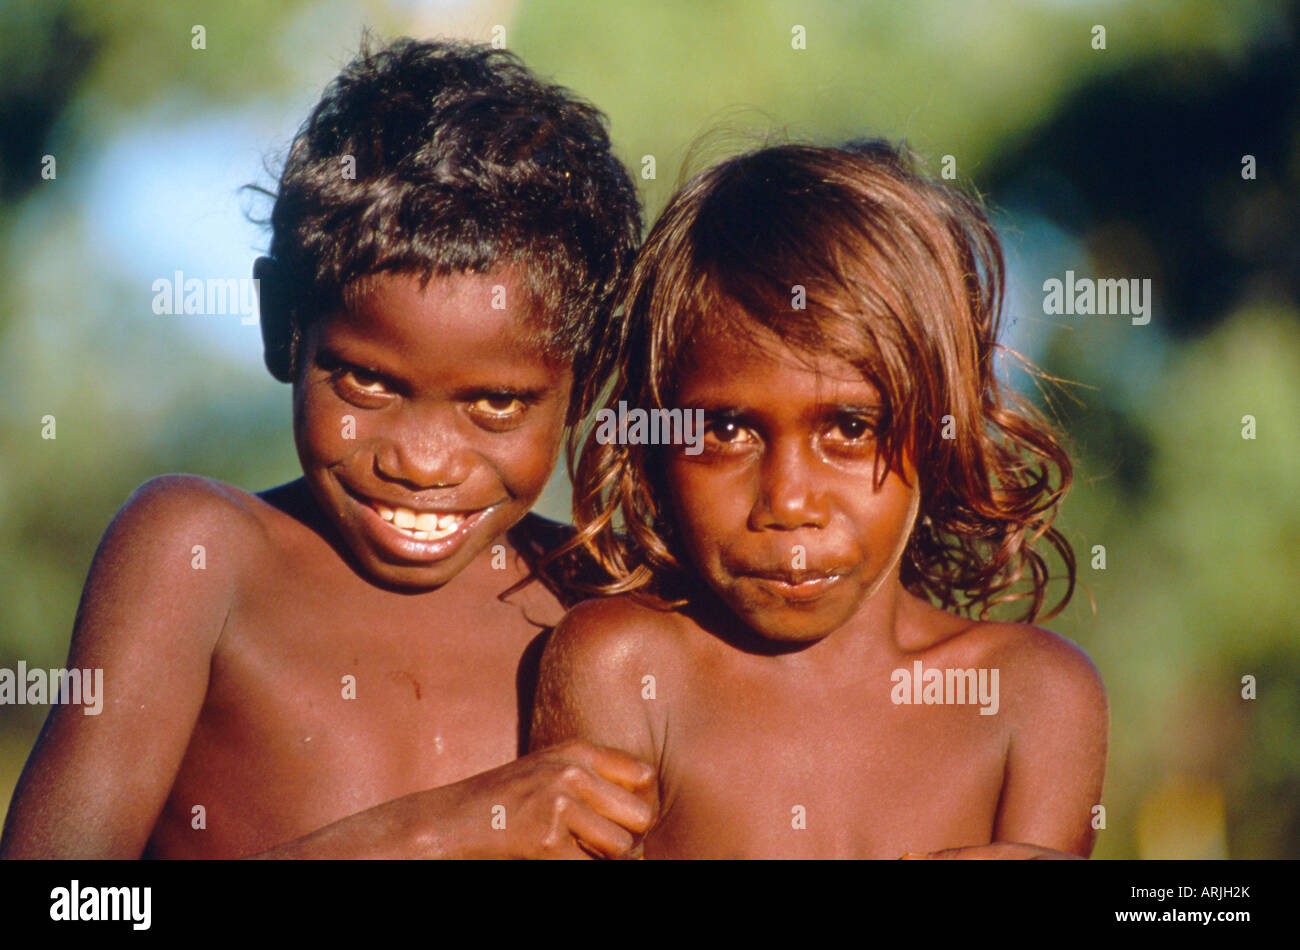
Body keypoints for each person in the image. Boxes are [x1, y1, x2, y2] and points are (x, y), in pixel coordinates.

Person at [0, 36, 654, 859]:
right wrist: (423, 837)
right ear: (283, 326)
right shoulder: (200, 558)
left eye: (495, 403)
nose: (421, 461)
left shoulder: (608, 600)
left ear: (587, 380)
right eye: (368, 383)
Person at [532, 141, 1108, 859]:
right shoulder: (624, 667)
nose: (788, 503)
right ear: (652, 440)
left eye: (850, 428)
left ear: (937, 428)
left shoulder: (1035, 695)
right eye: (727, 430)